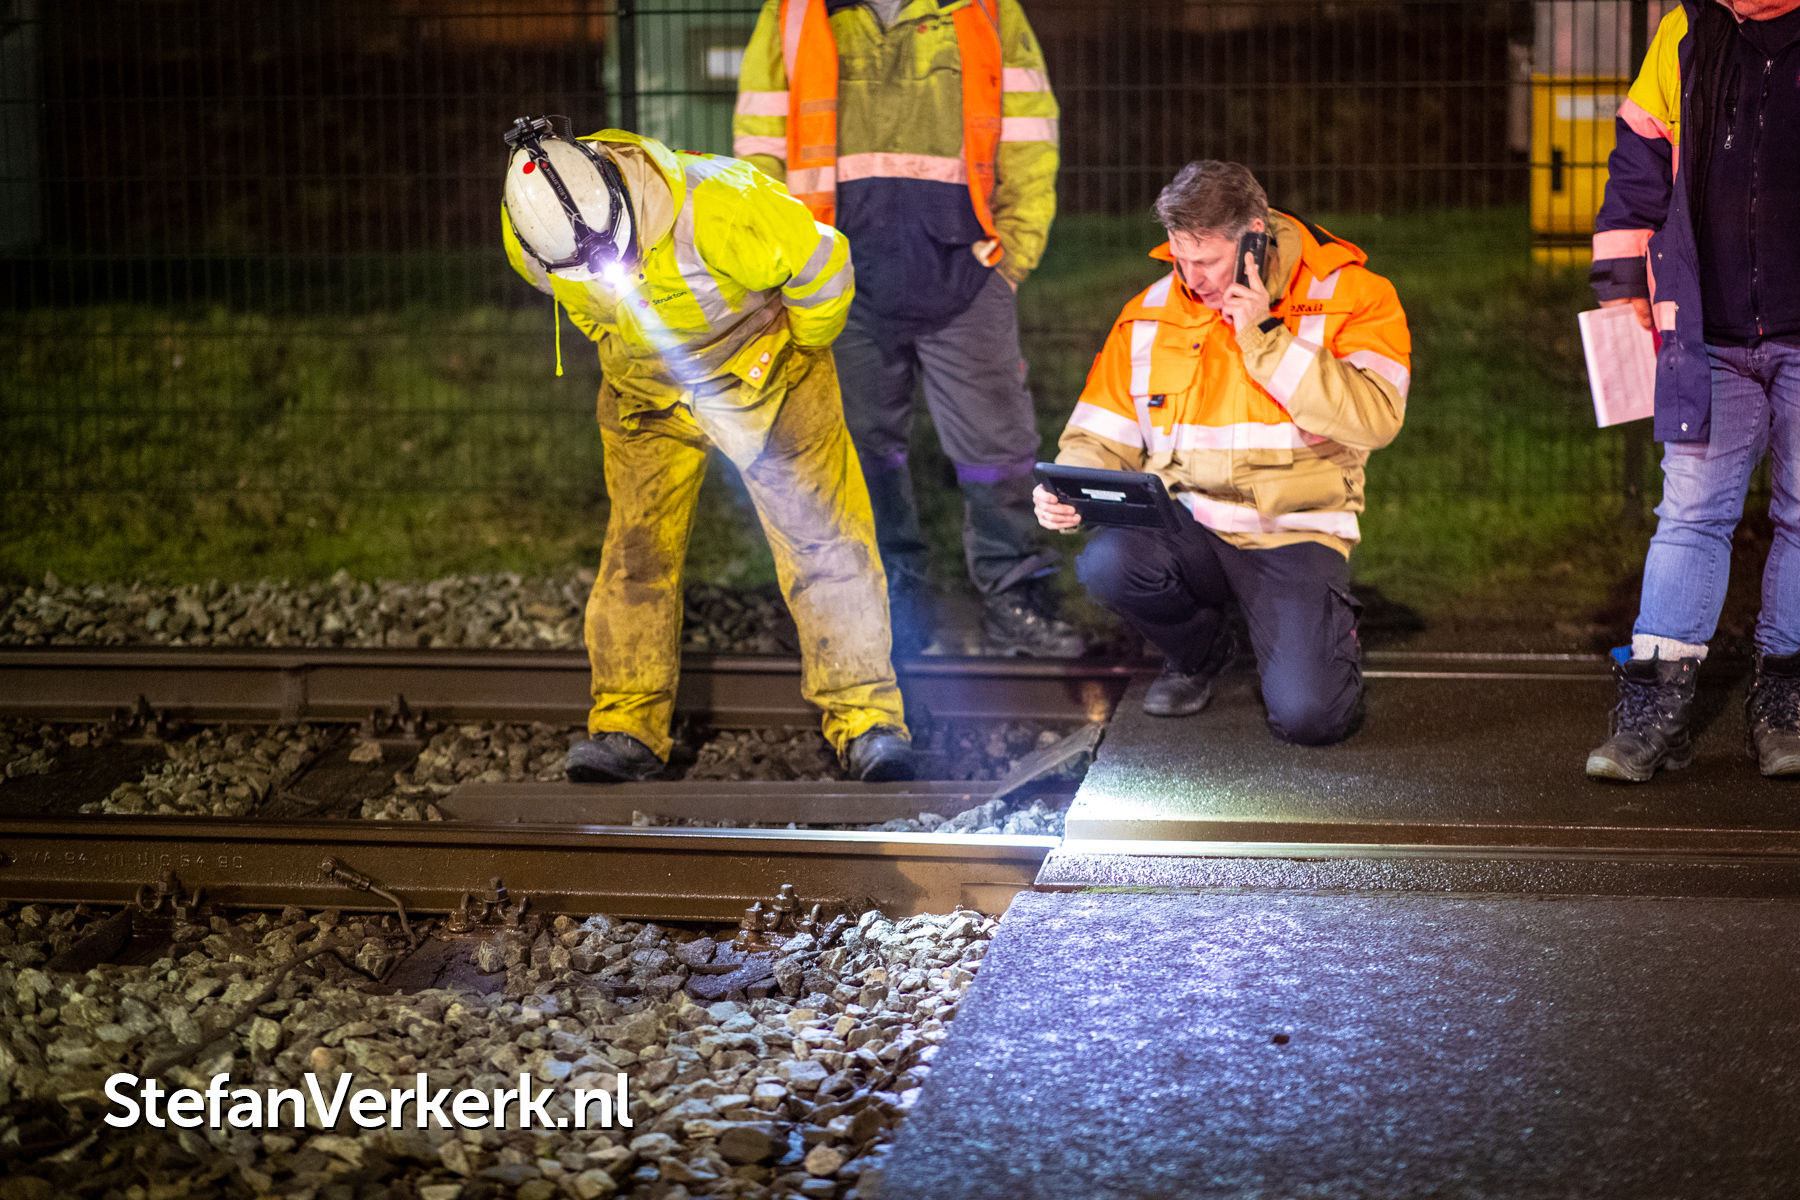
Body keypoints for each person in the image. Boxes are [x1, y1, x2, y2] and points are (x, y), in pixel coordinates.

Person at [499, 115, 914, 783]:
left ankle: (867, 721)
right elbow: (578, 305)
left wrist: (800, 352)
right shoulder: (532, 226)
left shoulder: (724, 207)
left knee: (826, 544)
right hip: (646, 385)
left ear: (621, 199)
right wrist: (623, 348)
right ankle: (627, 727)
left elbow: (826, 272)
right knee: (636, 556)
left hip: (769, 368)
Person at [733, 0, 1082, 658]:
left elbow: (1029, 132)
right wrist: (784, 261)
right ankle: (890, 599)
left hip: (967, 269)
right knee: (860, 447)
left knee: (997, 447)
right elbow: (760, 146)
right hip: (838, 277)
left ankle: (1014, 596)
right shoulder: (795, 14)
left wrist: (1013, 254)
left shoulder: (986, 10)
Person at [1033, 161, 1411, 745]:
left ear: (1255, 236)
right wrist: (1071, 487)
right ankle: (1203, 654)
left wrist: (1264, 337)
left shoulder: (1353, 295)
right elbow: (1098, 435)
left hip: (1293, 531)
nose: (1192, 277)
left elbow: (1376, 418)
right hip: (1189, 525)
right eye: (1179, 258)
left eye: (1206, 260)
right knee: (1108, 564)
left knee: (1312, 719)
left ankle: (1317, 633)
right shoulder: (1151, 311)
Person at [1585, 0, 1800, 781]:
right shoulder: (1685, 30)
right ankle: (1656, 711)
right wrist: (1621, 285)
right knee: (1688, 517)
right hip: (1704, 330)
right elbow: (1638, 165)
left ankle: (1786, 700)